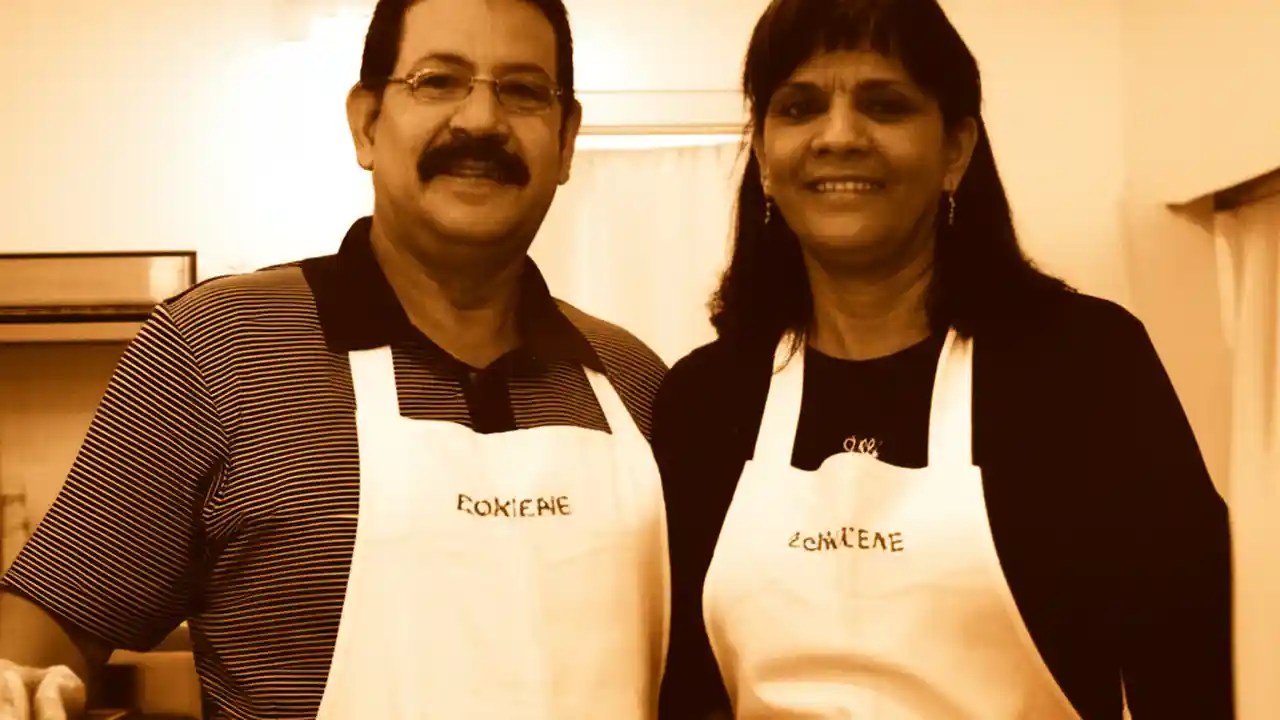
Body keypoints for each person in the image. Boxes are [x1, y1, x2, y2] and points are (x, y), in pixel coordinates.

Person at [0, 0, 671, 717]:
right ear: (367, 123)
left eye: (524, 90)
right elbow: (43, 637)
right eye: (438, 80)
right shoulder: (219, 345)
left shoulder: (636, 380)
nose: (481, 120)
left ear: (566, 141)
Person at [654, 0, 1233, 718]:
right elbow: (686, 693)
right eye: (799, 108)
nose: (839, 136)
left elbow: (1195, 672)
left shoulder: (1087, 367)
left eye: (885, 105)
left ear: (955, 149)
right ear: (765, 162)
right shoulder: (705, 400)